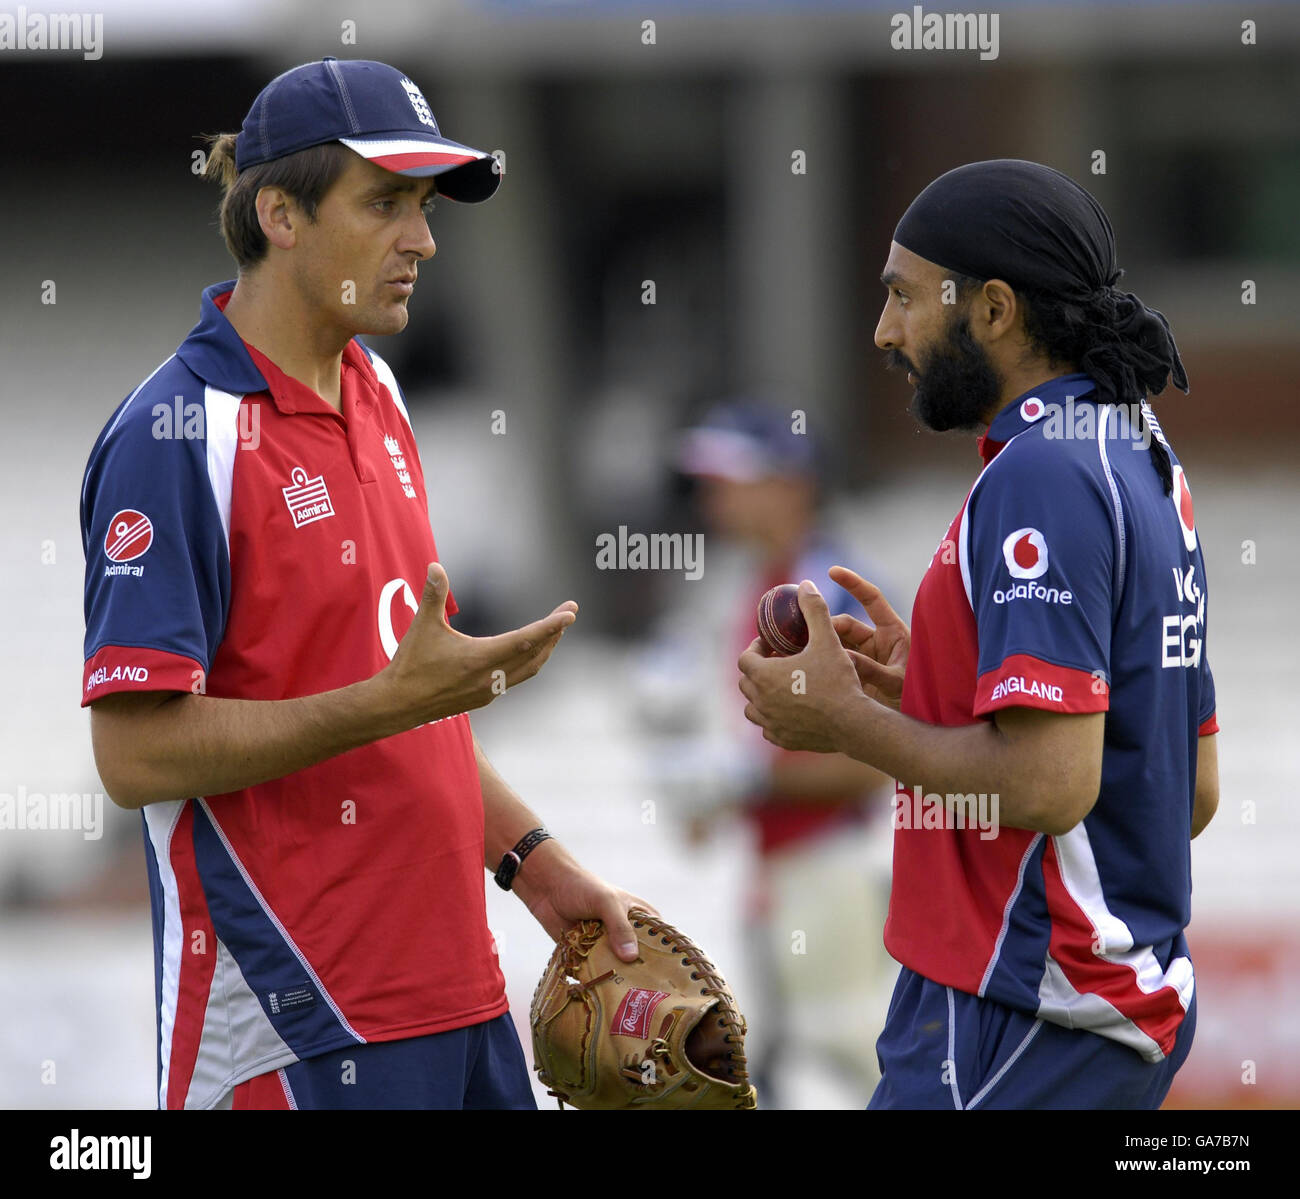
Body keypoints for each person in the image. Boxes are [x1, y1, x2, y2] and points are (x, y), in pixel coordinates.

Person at [80, 58, 652, 1111]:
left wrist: (534, 862)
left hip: (463, 999)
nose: (422, 241)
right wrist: (384, 702)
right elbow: (133, 752)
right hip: (298, 1020)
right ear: (279, 214)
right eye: (386, 203)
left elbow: (406, 705)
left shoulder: (378, 391)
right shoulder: (176, 435)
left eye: (426, 208)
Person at [738, 160, 1219, 1110]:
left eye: (904, 298)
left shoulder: (1039, 474)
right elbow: (1186, 790)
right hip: (1093, 1005)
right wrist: (933, 681)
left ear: (993, 309)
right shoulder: (1143, 454)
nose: (884, 332)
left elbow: (1051, 783)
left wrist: (841, 720)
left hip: (1021, 1006)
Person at [672, 401, 896, 1105]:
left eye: (735, 477)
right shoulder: (764, 583)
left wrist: (747, 778)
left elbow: (882, 757)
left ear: (791, 482)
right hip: (786, 873)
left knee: (847, 1068)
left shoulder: (825, 591)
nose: (716, 496)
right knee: (794, 1071)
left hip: (836, 866)